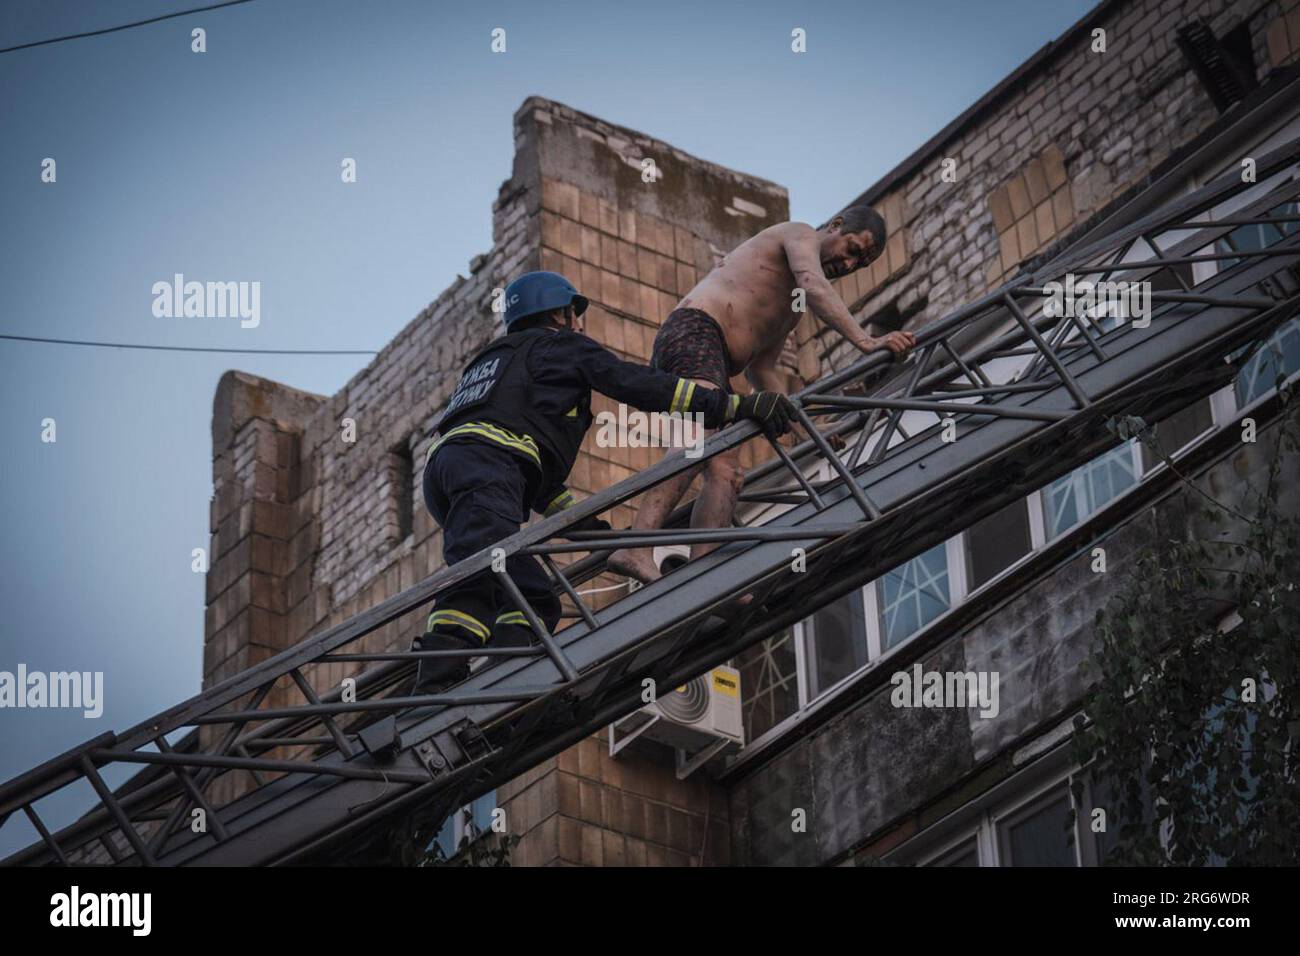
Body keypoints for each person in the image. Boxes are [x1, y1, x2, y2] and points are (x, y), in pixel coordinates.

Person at [413, 270, 796, 693]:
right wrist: (731, 405)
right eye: (576, 315)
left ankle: (497, 680)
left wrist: (598, 535)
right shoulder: (561, 346)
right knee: (484, 579)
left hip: (453, 474)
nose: (580, 324)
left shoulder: (498, 364)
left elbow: (541, 486)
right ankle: (442, 688)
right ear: (560, 314)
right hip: (487, 469)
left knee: (527, 591)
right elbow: (635, 384)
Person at [608, 206, 917, 584]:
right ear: (835, 225)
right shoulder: (800, 234)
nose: (850, 264)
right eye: (852, 249)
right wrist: (867, 341)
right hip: (695, 332)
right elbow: (813, 281)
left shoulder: (793, 306)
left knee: (728, 472)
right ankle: (636, 547)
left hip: (716, 361)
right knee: (697, 443)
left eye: (860, 264)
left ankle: (704, 573)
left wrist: (808, 429)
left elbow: (761, 369)